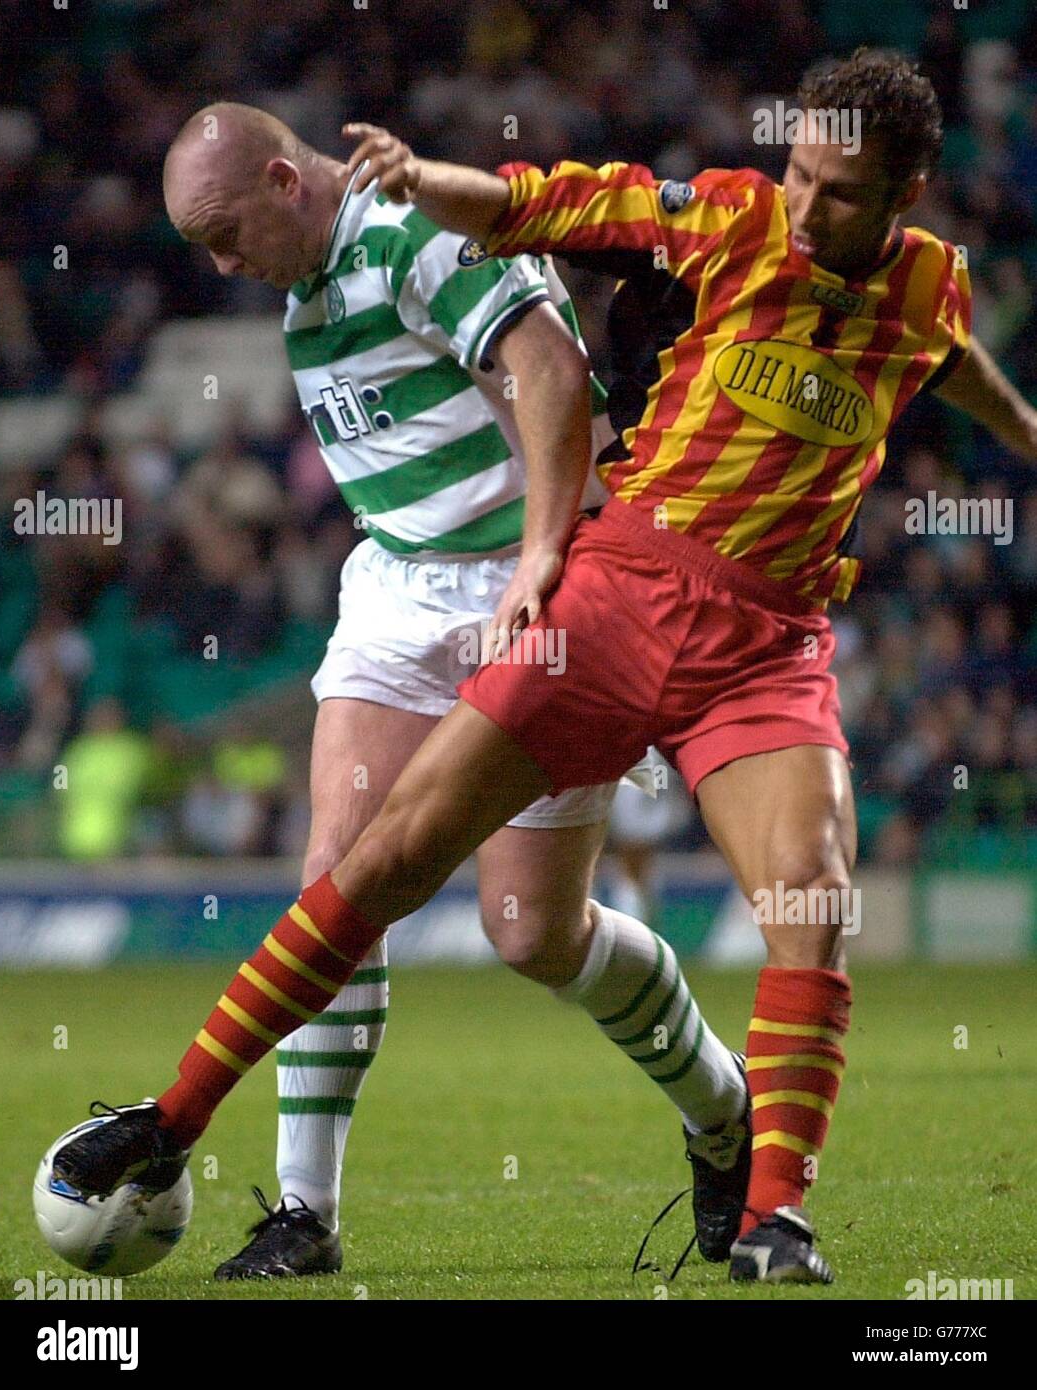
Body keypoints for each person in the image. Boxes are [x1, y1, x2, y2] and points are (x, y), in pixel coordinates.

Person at [56, 51, 1037, 1285]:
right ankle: (223, 1148)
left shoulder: (926, 289)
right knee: (365, 862)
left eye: (839, 191)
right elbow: (557, 200)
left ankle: (762, 1188)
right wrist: (436, 175)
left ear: (910, 190)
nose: (802, 207)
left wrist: (1033, 436)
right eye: (796, 172)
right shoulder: (733, 219)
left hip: (693, 624)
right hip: (568, 591)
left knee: (705, 910)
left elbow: (938, 360)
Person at [121, 102, 752, 1279]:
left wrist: (542, 556)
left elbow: (551, 370)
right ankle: (305, 1211)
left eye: (224, 231)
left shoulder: (415, 229)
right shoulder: (307, 286)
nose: (218, 263)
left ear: (281, 178)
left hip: (532, 588)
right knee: (336, 882)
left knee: (533, 933)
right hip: (399, 598)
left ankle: (725, 1114)